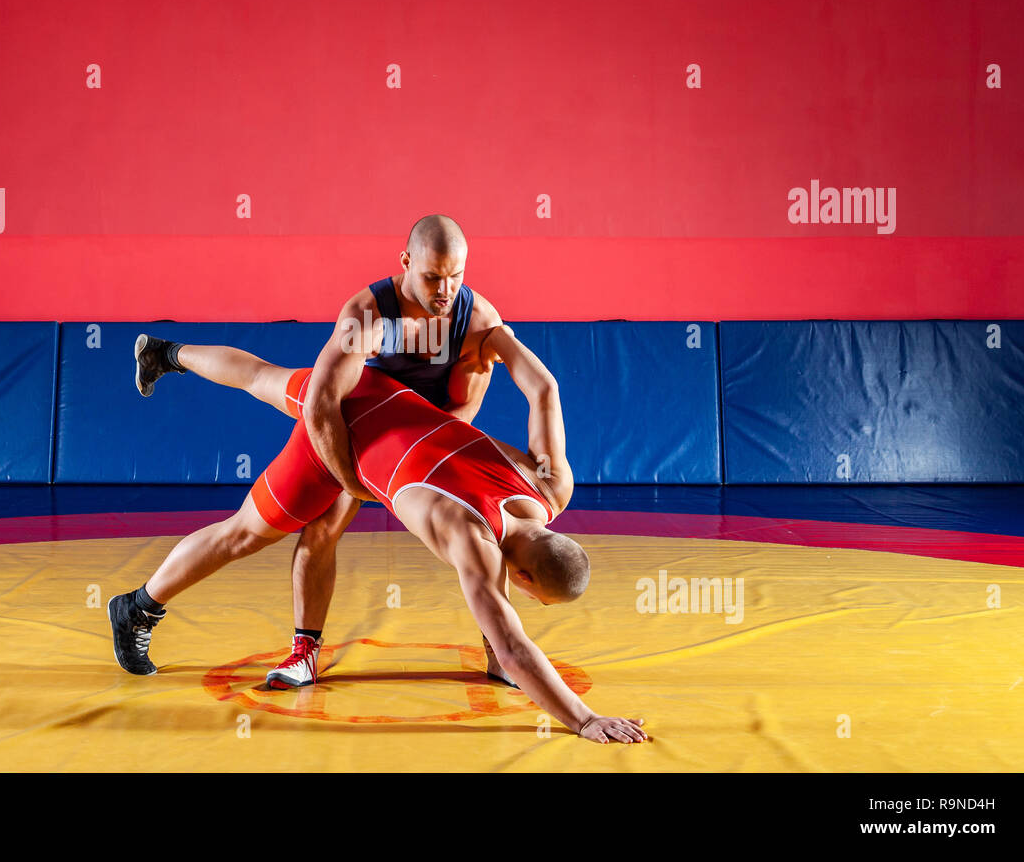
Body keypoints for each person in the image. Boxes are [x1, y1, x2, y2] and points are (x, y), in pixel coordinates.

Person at [110, 324, 648, 744]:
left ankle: (167, 352)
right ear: (526, 575)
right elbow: (513, 646)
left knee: (260, 375)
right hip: (334, 438)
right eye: (531, 592)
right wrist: (582, 718)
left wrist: (503, 339)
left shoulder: (551, 487)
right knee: (244, 534)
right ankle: (137, 606)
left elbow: (546, 389)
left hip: (376, 392)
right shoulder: (469, 536)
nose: (522, 594)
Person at [136, 214, 505, 687]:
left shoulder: (476, 321)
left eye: (456, 277)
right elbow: (322, 403)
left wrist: (402, 472)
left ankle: (500, 650)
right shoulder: (367, 314)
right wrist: (352, 479)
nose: (444, 290)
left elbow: (459, 416)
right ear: (406, 261)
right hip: (346, 421)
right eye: (432, 276)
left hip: (408, 439)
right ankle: (169, 354)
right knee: (299, 522)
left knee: (478, 524)